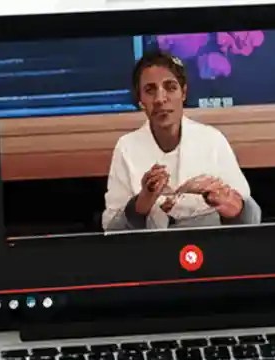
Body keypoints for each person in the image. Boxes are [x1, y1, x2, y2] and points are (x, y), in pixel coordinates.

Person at [102, 50, 261, 232]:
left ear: (183, 93)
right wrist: (142, 202)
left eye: (170, 87)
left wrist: (229, 205)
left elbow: (252, 218)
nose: (160, 99)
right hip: (152, 246)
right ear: (140, 100)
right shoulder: (126, 147)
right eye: (150, 90)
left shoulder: (212, 140)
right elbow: (112, 228)